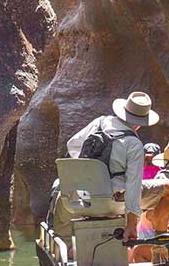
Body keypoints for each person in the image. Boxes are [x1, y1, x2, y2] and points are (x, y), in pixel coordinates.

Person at [65, 91, 160, 230]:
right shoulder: (134, 144)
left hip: (84, 197)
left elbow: (72, 145)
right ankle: (159, 243)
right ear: (140, 123)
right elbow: (133, 187)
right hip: (113, 200)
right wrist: (131, 226)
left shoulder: (100, 122)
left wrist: (90, 171)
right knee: (167, 189)